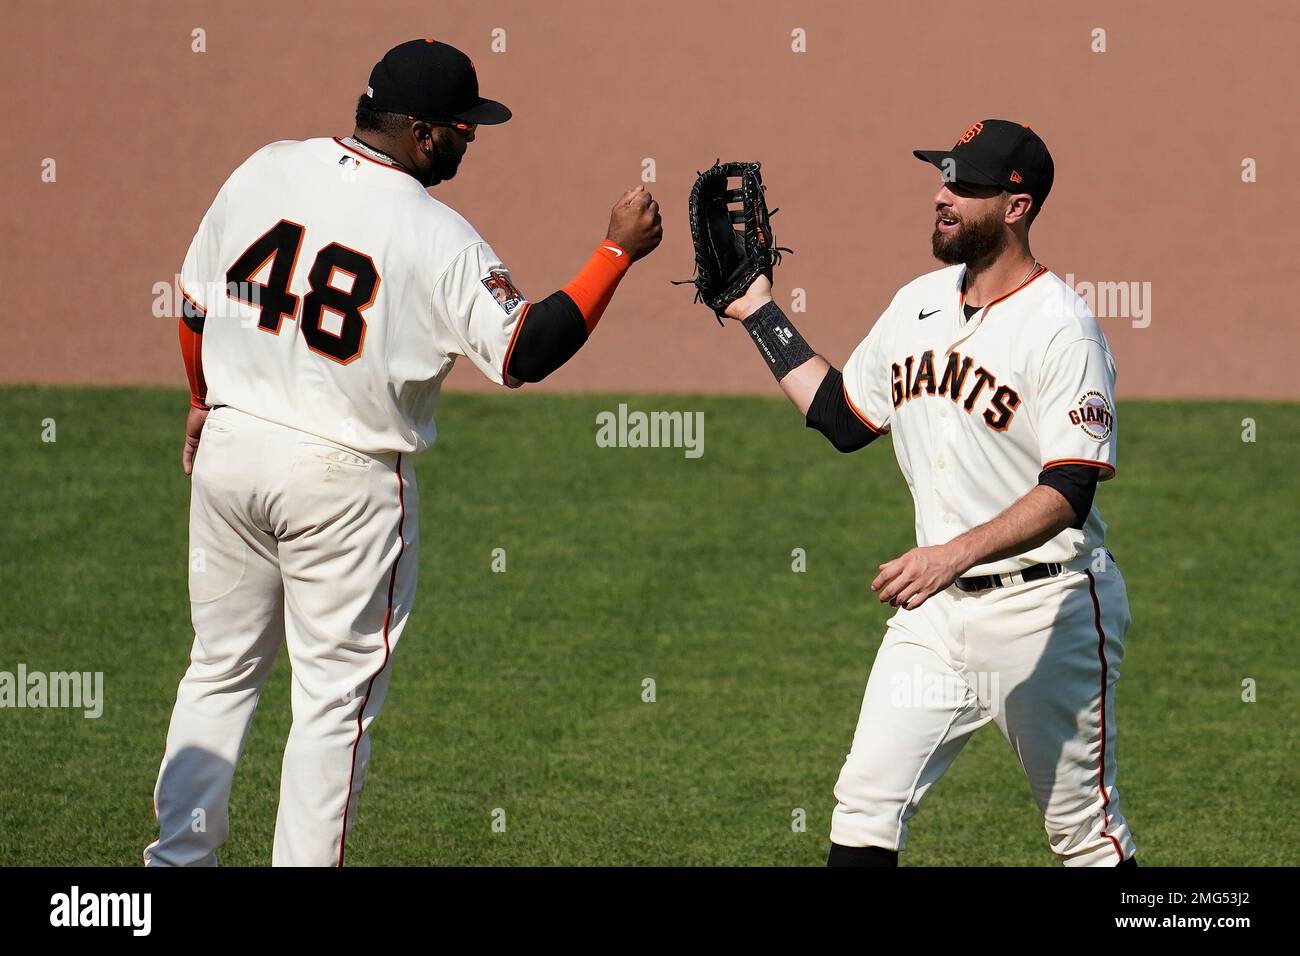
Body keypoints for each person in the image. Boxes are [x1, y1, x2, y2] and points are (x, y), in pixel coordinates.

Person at [146, 38, 661, 866]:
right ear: (423, 132)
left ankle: (175, 861)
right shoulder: (436, 234)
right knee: (332, 708)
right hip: (340, 485)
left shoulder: (266, 167)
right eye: (464, 128)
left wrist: (202, 402)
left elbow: (196, 303)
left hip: (232, 453)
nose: (470, 141)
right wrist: (615, 254)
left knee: (216, 673)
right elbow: (525, 350)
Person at [723, 120, 1135, 867]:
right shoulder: (918, 302)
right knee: (866, 806)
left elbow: (1069, 489)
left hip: (1047, 613)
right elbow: (843, 417)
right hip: (936, 622)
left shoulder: (1062, 330)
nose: (942, 196)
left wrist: (950, 555)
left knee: (1084, 838)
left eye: (964, 186)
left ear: (1016, 207)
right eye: (942, 179)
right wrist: (760, 315)